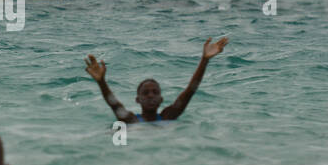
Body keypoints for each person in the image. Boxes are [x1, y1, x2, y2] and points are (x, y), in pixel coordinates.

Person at [85, 38, 229, 124]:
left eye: (155, 92)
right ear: (137, 100)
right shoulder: (131, 120)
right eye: (145, 93)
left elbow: (190, 91)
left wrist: (204, 60)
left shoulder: (168, 116)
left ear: (161, 99)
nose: (150, 95)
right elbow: (113, 104)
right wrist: (101, 82)